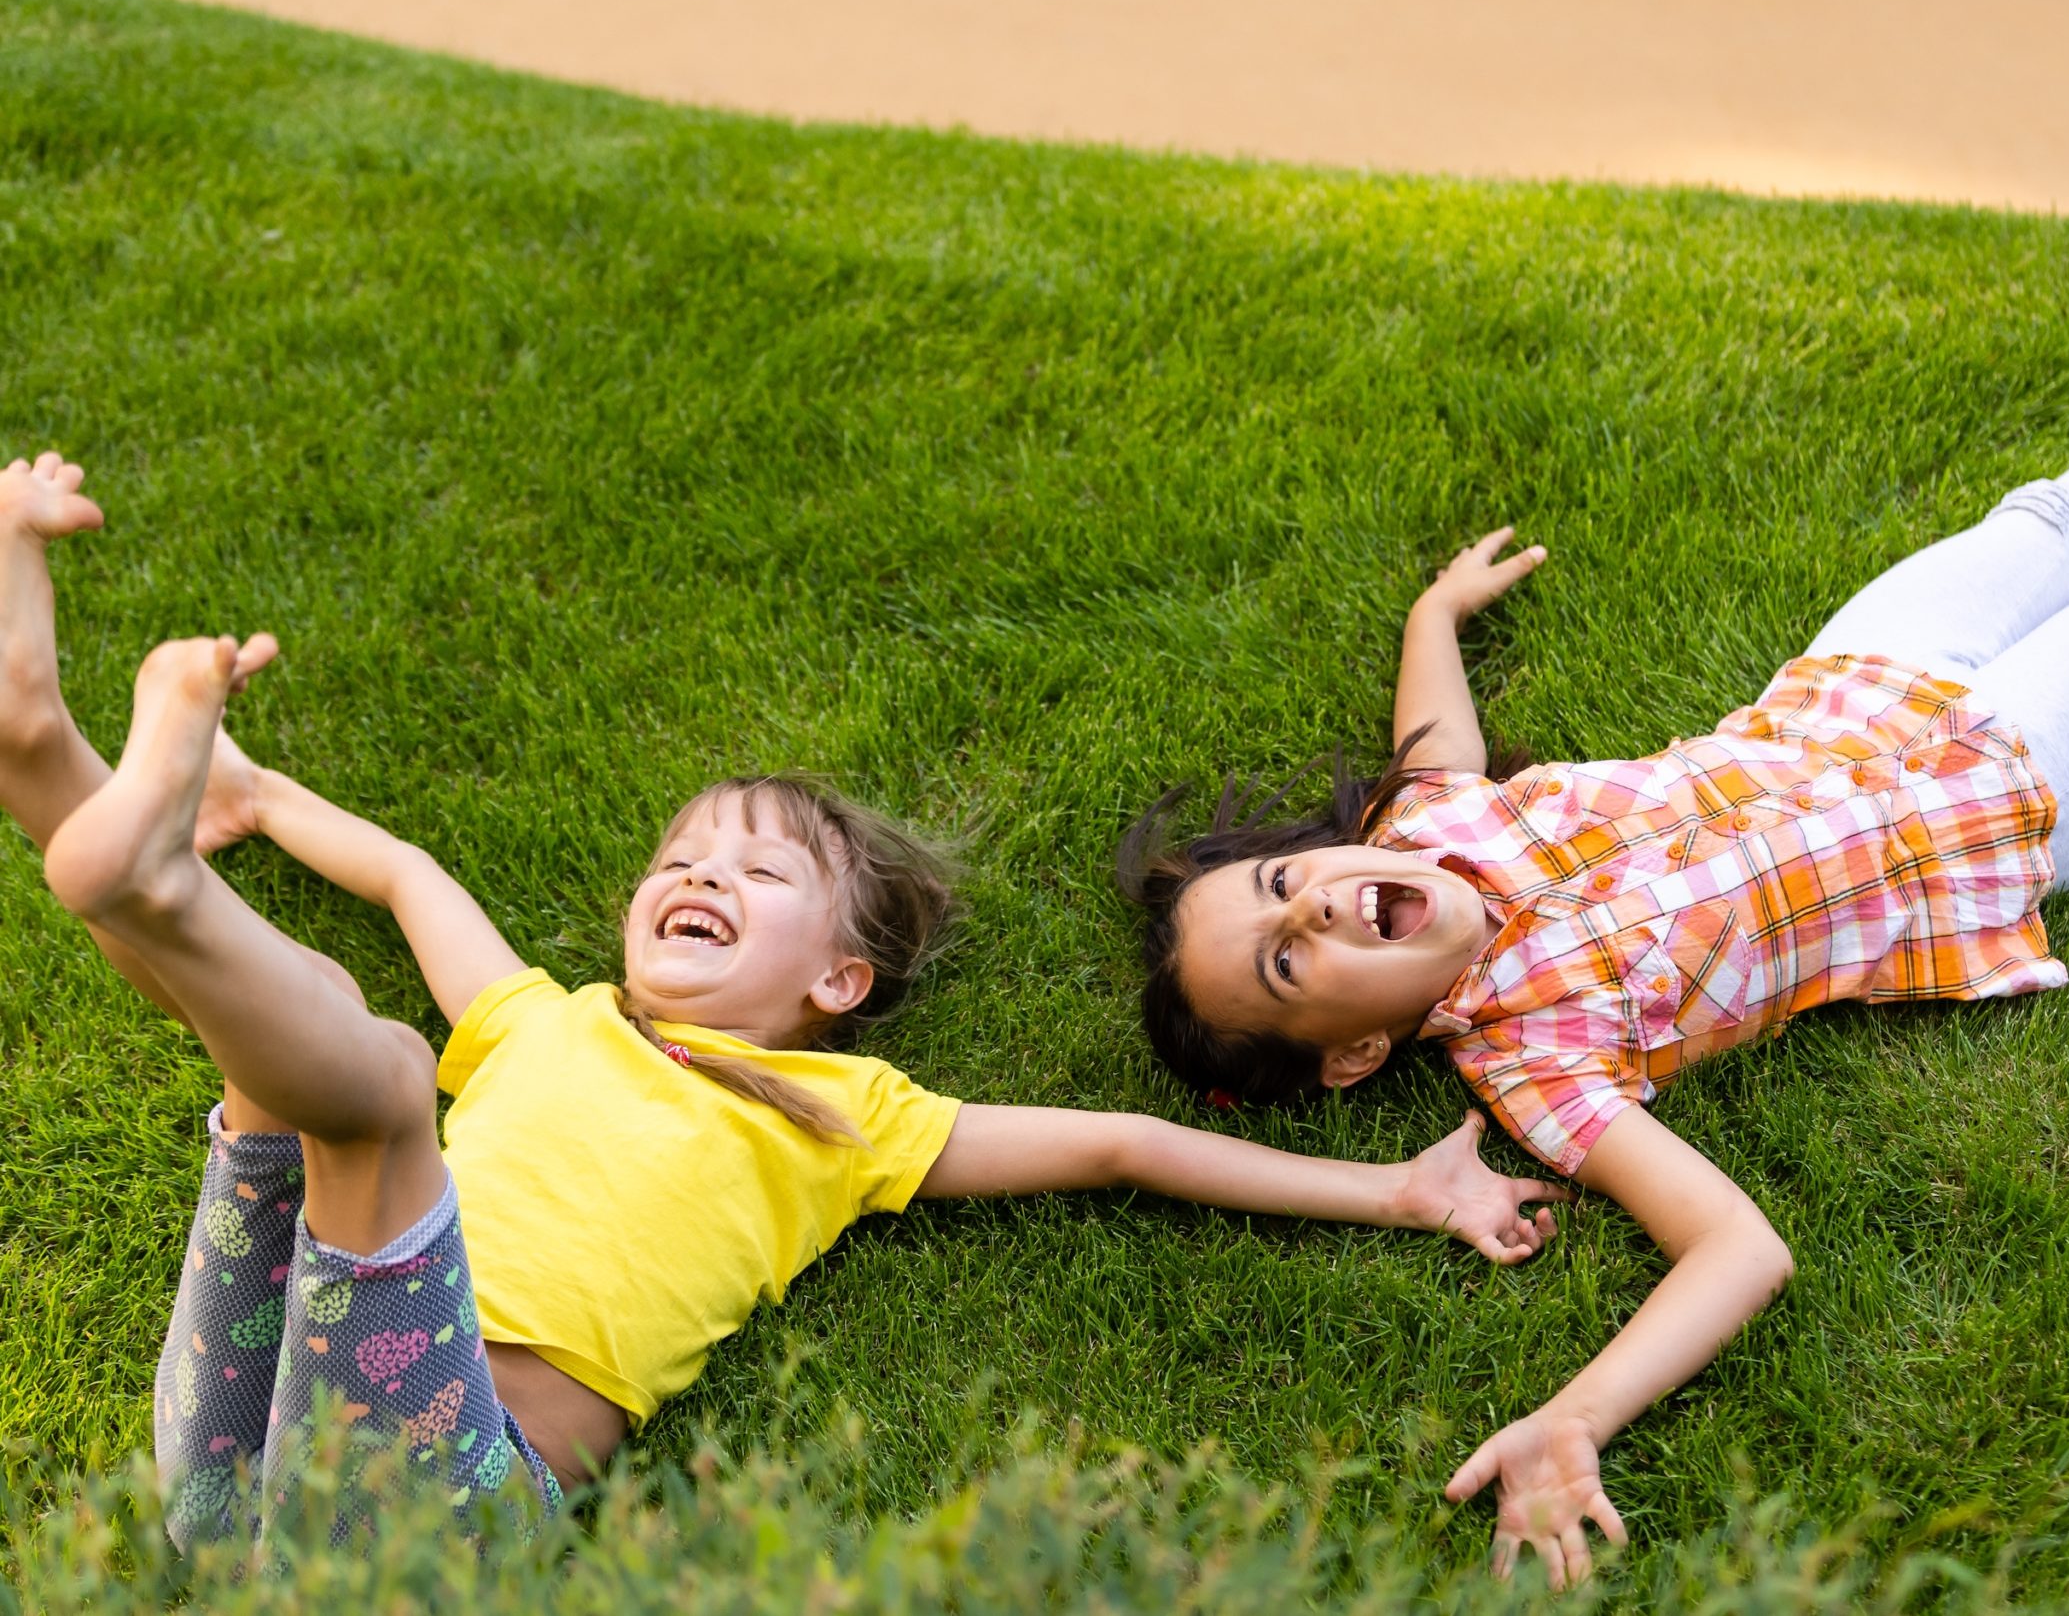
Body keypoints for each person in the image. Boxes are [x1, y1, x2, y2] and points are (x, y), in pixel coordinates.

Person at [0, 454, 1568, 1550]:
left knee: (368, 1073)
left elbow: (1119, 1146)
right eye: (682, 855)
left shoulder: (846, 1116)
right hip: (242, 1451)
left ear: (838, 980)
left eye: (750, 874)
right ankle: (35, 736)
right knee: (338, 1055)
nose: (696, 871)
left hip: (440, 1513)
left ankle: (139, 864)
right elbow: (412, 875)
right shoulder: (547, 1017)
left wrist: (1397, 1185)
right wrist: (266, 799)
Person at [1119, 306, 2069, 1587]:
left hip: (1851, 685)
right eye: (1286, 960)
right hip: (1984, 809)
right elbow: (1736, 1247)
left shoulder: (1435, 821)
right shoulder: (1537, 1068)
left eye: (1284, 881)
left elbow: (1431, 726)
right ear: (1353, 1055)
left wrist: (1436, 610)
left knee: (2040, 524)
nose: (1315, 905)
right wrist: (1576, 1417)